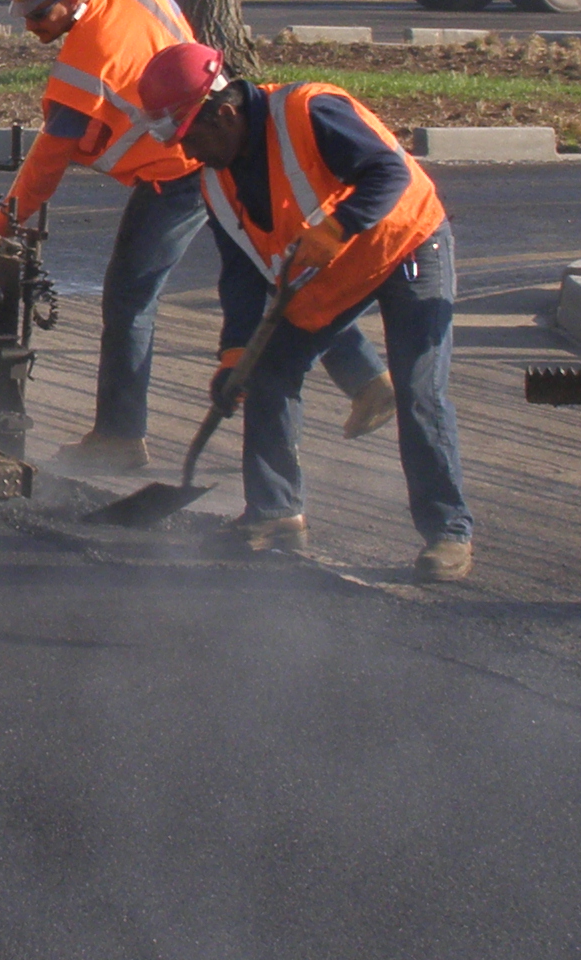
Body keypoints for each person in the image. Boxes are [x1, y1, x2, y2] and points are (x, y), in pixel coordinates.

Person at [0, 0, 390, 474]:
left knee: (129, 300)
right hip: (223, 141)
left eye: (37, 16)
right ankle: (367, 379)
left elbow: (48, 162)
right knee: (273, 268)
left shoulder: (84, 61)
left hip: (176, 174)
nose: (31, 28)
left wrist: (4, 219)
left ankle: (120, 437)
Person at [139, 41, 474, 579]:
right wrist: (233, 357)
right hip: (334, 271)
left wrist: (338, 226)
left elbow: (391, 172)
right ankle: (275, 513)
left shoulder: (309, 111)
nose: (190, 153)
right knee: (269, 370)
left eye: (191, 138)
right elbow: (243, 275)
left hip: (405, 243)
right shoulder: (216, 181)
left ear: (224, 115)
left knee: (418, 390)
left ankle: (448, 532)